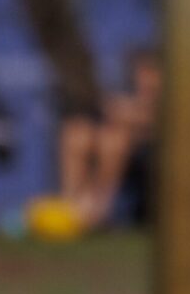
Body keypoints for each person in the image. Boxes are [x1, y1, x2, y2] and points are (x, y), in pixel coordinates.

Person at [56, 47, 161, 229]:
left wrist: (134, 115)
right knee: (77, 133)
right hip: (112, 136)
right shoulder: (125, 89)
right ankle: (72, 205)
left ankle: (98, 211)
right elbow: (108, 108)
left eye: (152, 72)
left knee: (114, 142)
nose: (146, 78)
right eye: (142, 72)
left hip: (142, 149)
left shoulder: (176, 97)